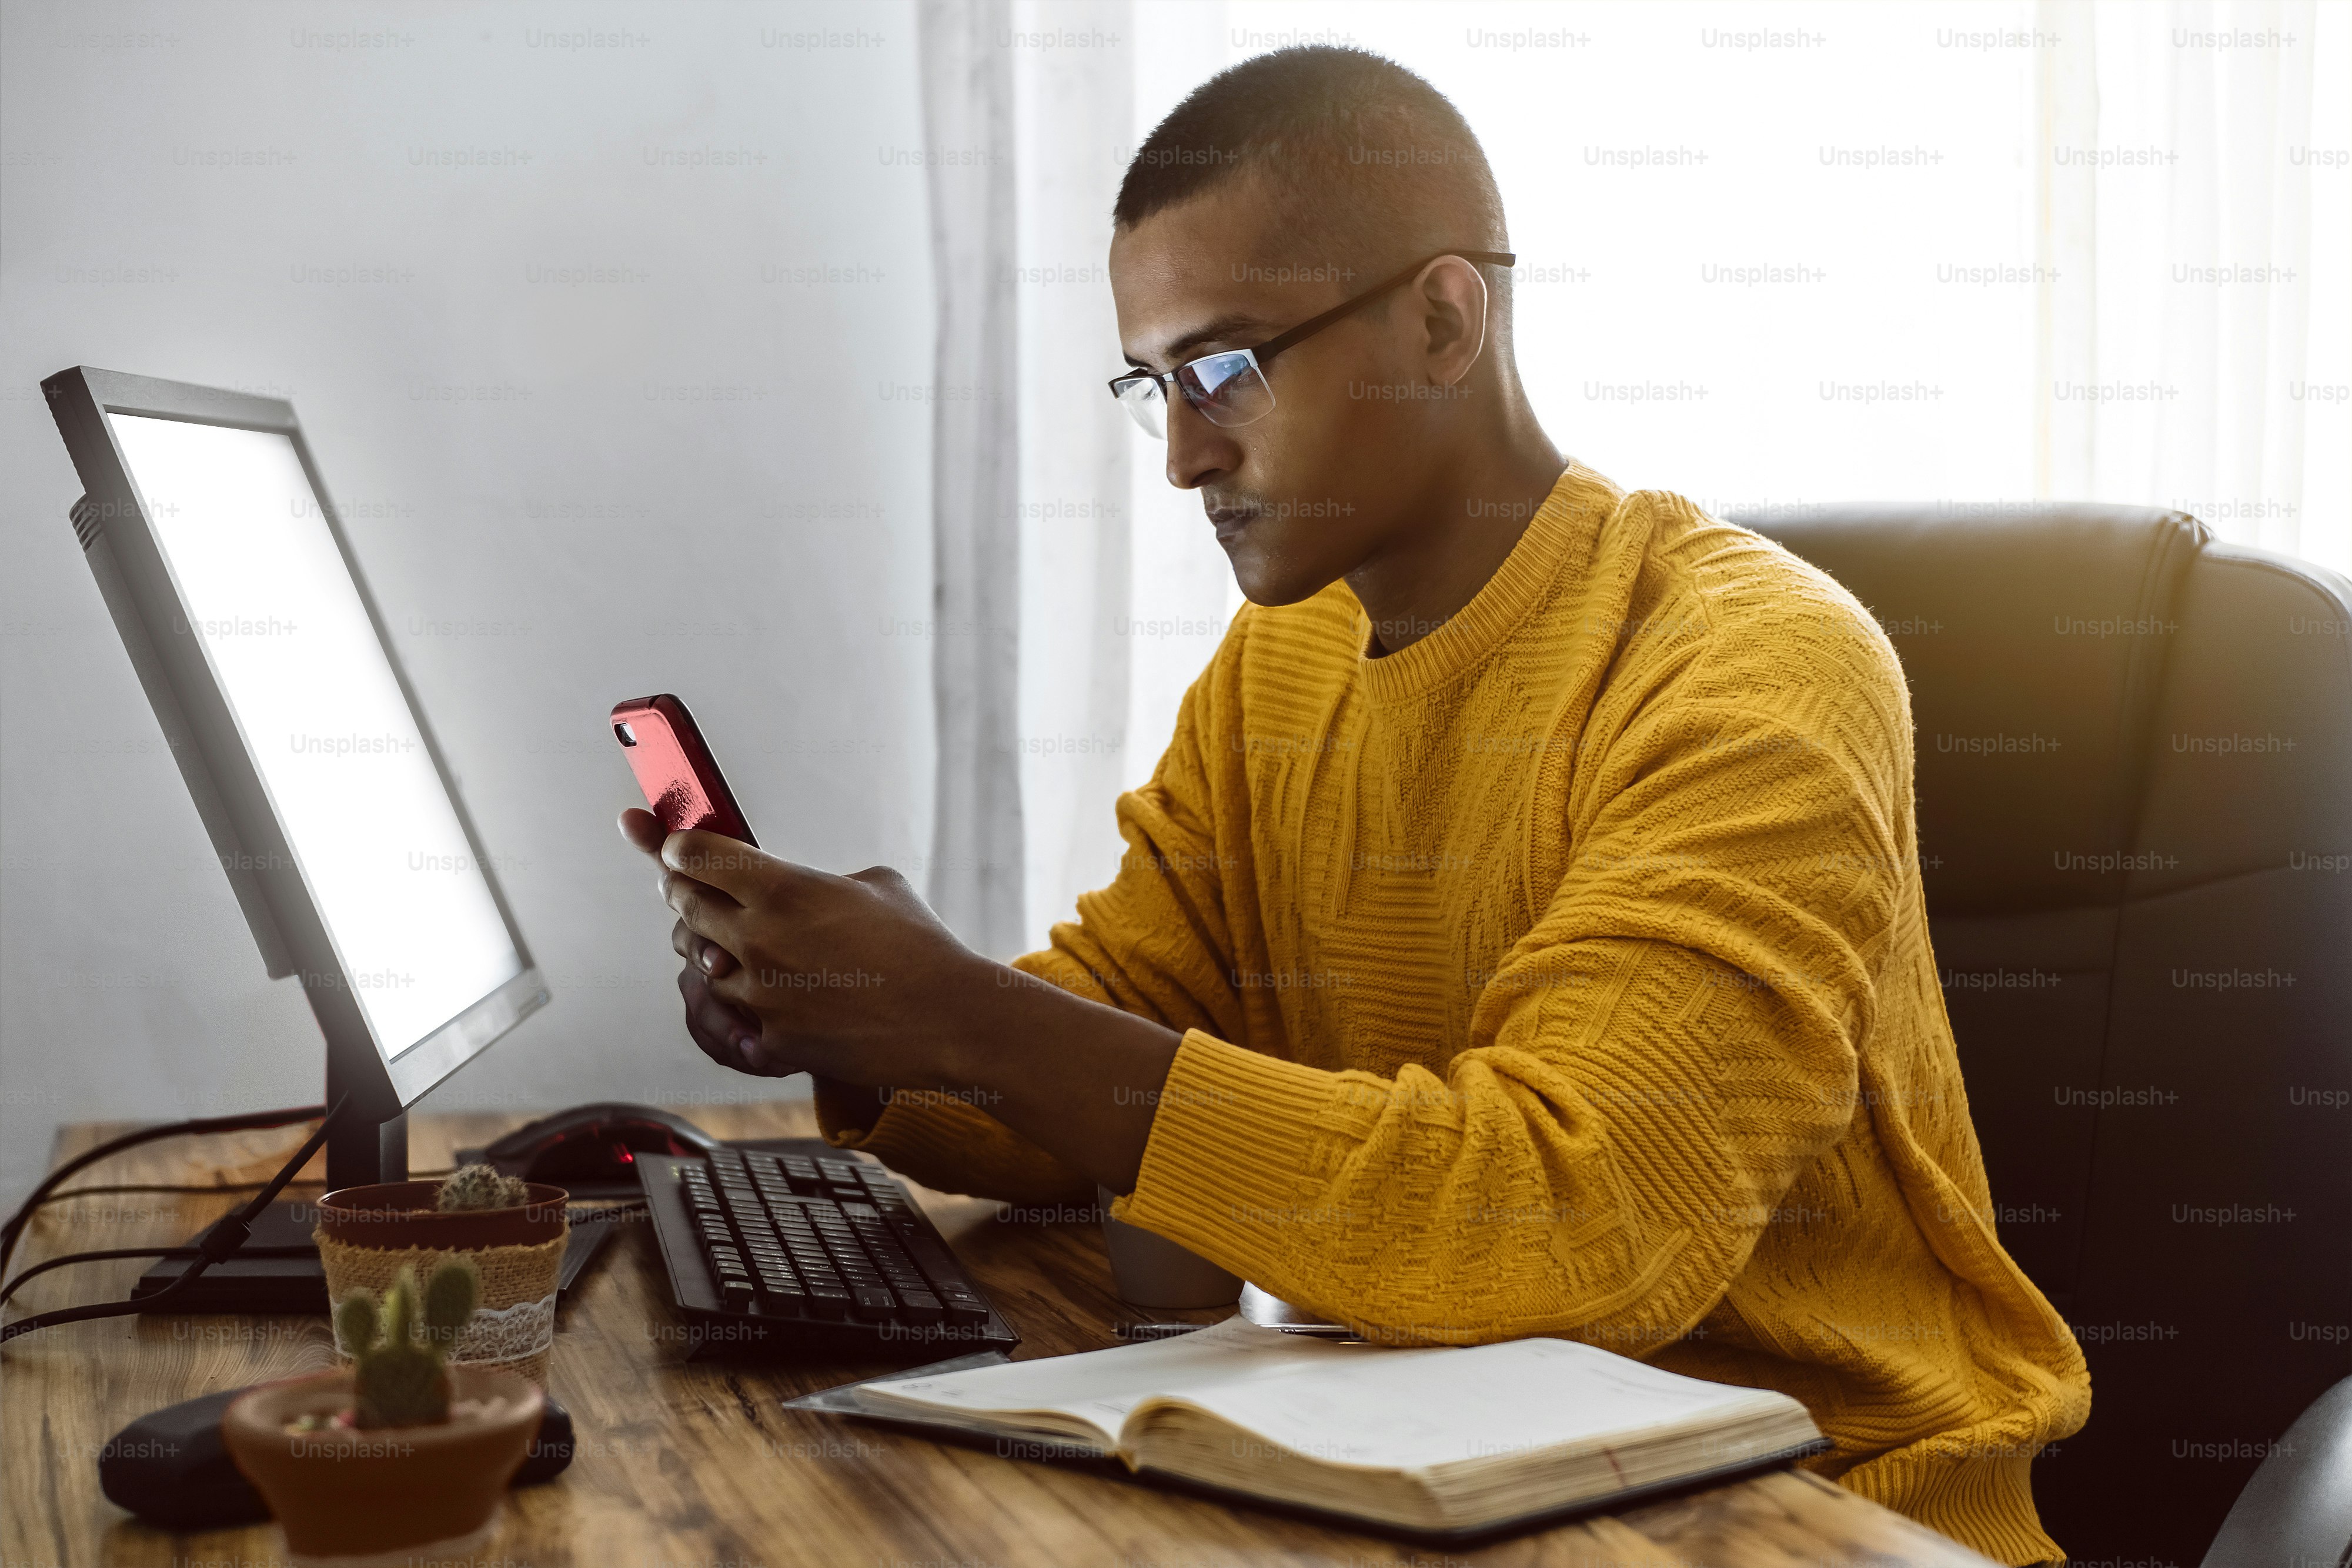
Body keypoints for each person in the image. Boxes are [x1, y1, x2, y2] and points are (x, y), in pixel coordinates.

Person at [622, 45, 2087, 1564]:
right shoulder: (1284, 658)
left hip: (1819, 1515)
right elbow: (1118, 1051)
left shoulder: (1754, 665)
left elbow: (1575, 1217)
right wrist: (876, 1020)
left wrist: (969, 1019)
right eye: (1155, 387)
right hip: (1448, 1479)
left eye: (1228, 369)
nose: (1186, 454)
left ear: (1444, 321)